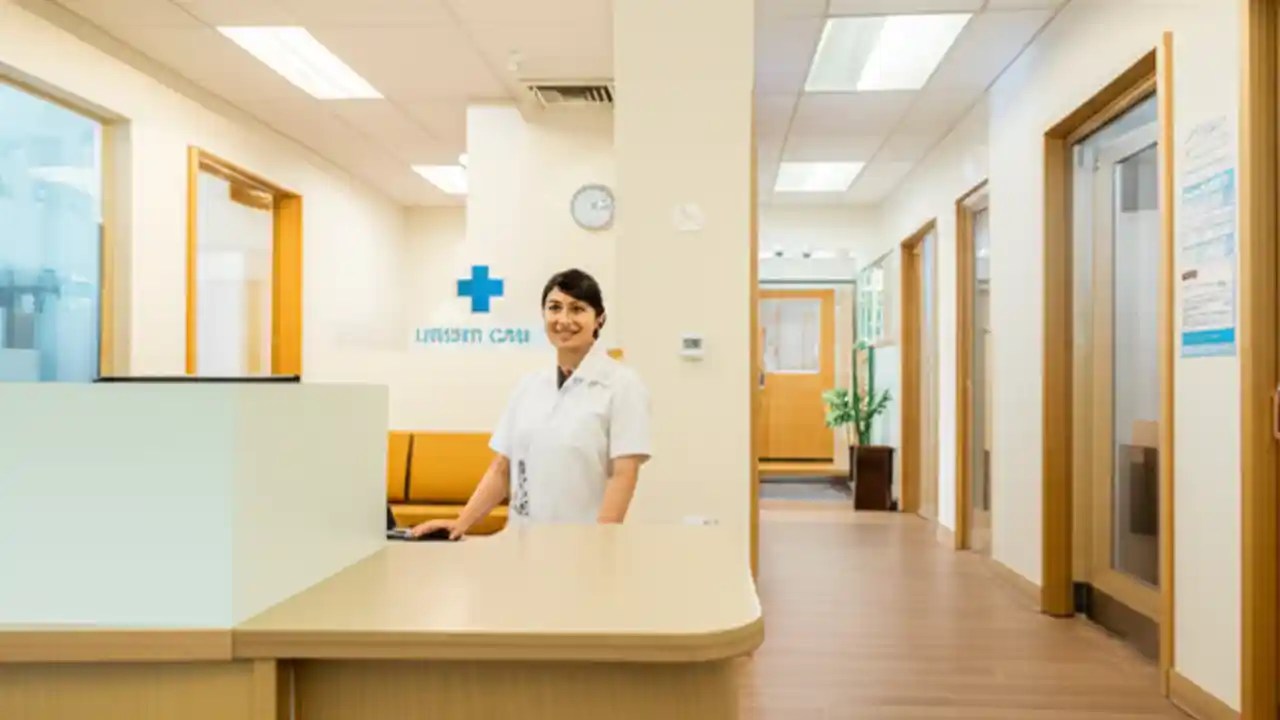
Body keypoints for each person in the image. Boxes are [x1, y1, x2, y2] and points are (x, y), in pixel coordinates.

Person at [410, 269, 652, 539]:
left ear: (599, 319)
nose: (564, 319)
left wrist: (599, 544)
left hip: (580, 548)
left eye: (577, 309)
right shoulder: (530, 386)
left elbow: (623, 475)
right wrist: (461, 523)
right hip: (520, 542)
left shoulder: (622, 385)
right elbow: (502, 467)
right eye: (555, 308)